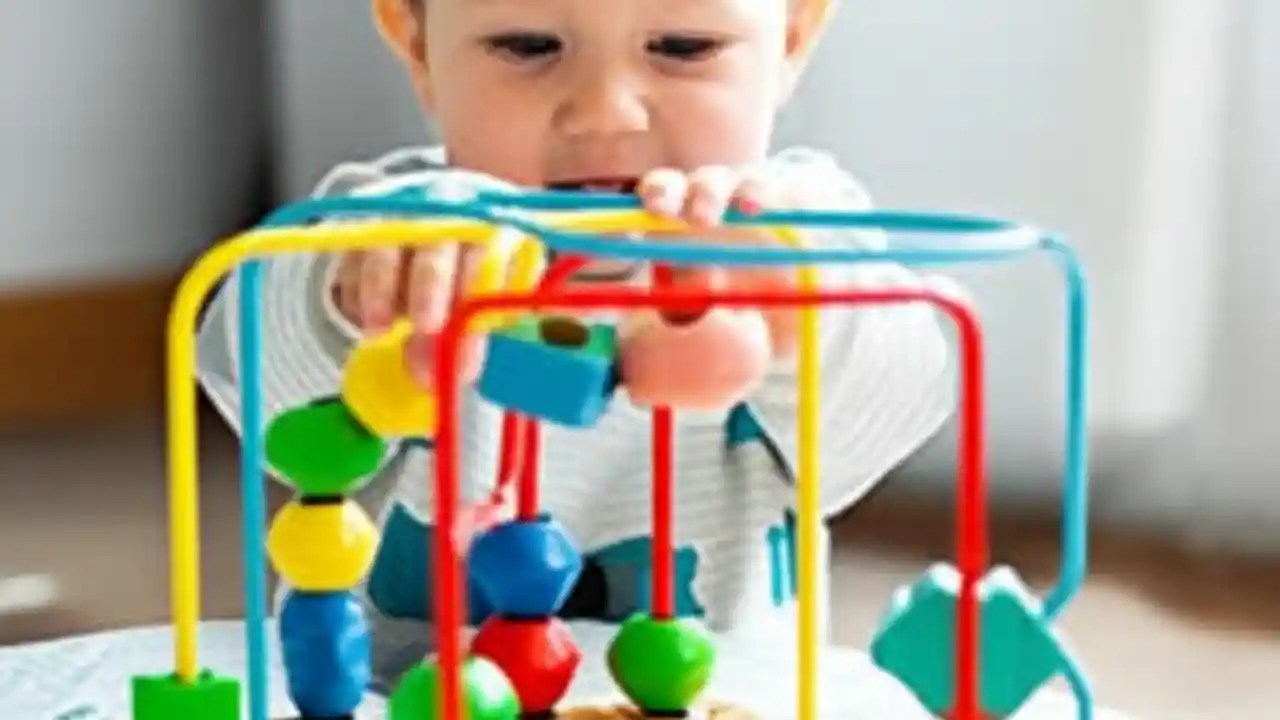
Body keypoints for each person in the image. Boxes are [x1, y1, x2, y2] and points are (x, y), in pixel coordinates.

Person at [196, 0, 958, 693]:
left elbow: (883, 428)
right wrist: (350, 292)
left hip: (716, 699)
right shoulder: (393, 224)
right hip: (399, 698)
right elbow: (259, 403)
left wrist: (793, 312)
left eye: (684, 47)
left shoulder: (801, 229)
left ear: (791, 39)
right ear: (418, 44)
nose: (605, 113)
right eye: (528, 46)